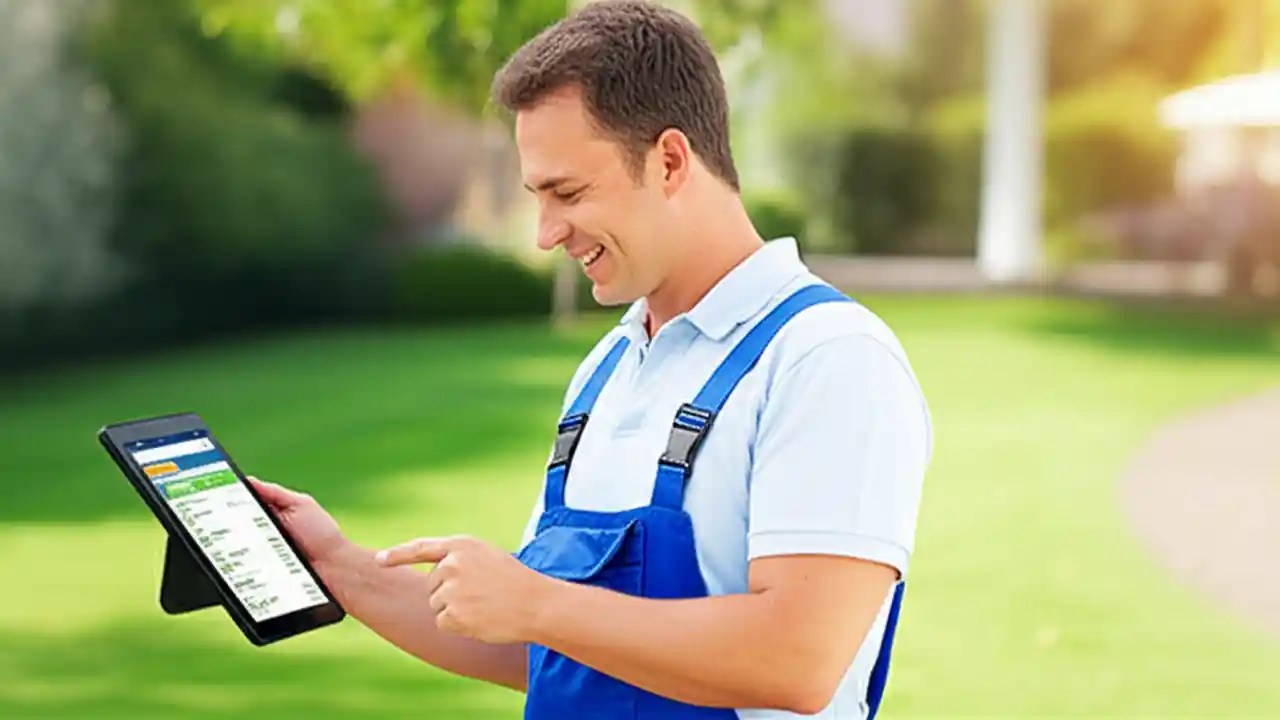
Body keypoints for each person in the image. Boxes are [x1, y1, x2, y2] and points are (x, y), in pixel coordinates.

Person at [249, 1, 932, 718]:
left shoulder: (828, 361)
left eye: (567, 193)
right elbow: (540, 642)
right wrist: (340, 566)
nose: (546, 235)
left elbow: (797, 657)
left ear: (670, 161)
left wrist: (538, 603)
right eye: (537, 197)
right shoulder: (607, 370)